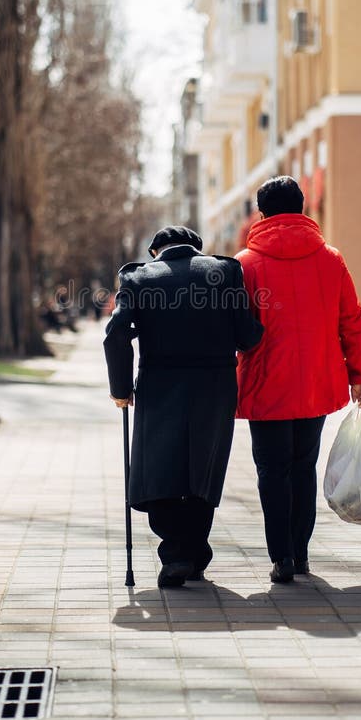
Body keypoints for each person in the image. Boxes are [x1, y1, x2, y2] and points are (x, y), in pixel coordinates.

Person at [104, 225, 264, 588]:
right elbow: (247, 336)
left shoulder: (138, 277)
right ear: (197, 250)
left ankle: (178, 552)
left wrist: (121, 389)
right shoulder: (224, 272)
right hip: (215, 386)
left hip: (160, 384)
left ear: (156, 252)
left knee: (158, 468)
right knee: (202, 470)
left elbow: (117, 334)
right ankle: (193, 552)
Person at [236, 176, 361, 584]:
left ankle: (281, 556)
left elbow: (236, 329)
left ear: (261, 214)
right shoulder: (330, 259)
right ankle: (300, 554)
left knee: (271, 470)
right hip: (318, 379)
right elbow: (351, 319)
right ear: (302, 209)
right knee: (303, 466)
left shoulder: (245, 264)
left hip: (266, 384)